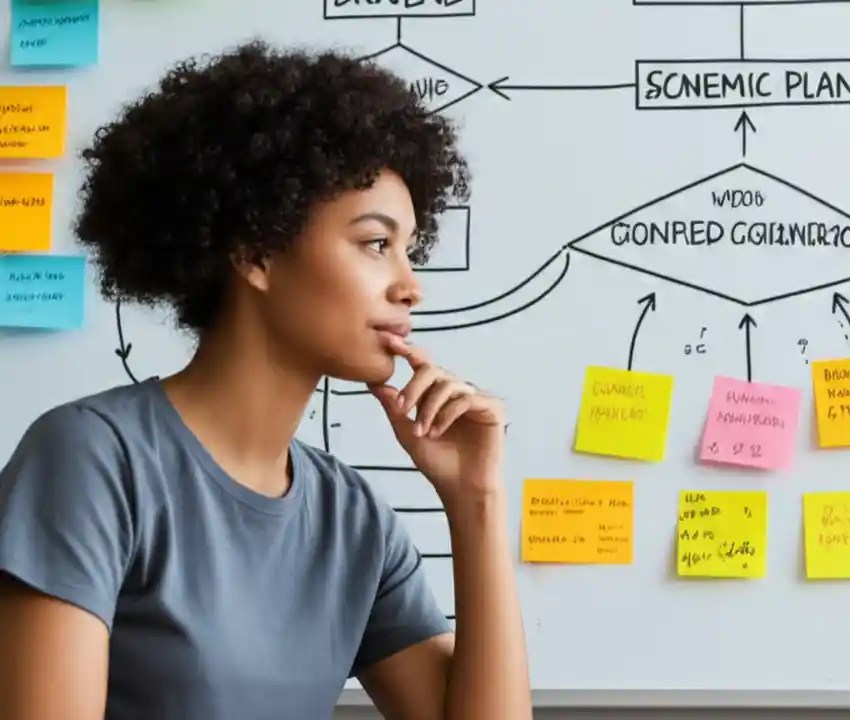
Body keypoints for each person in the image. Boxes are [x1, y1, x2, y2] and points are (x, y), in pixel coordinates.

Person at [0, 39, 531, 720]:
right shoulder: (92, 459)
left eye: (408, 249)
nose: (411, 286)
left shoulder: (354, 521)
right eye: (376, 244)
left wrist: (476, 502)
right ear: (256, 251)